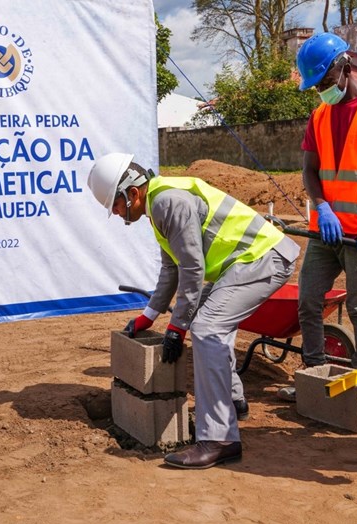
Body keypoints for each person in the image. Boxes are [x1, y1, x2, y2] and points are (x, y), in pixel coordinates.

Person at [87, 153, 299, 469]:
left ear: (132, 193)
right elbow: (171, 268)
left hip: (262, 258)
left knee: (207, 328)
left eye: (115, 206)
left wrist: (178, 328)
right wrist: (150, 315)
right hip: (244, 262)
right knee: (209, 322)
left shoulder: (167, 202)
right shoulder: (158, 204)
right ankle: (234, 400)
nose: (116, 213)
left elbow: (192, 268)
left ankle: (218, 439)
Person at [278, 33, 357, 402]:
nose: (321, 90)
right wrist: (321, 207)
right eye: (315, 85)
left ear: (345, 68)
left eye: (324, 81)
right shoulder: (319, 115)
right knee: (308, 301)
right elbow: (310, 171)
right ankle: (314, 374)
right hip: (326, 232)